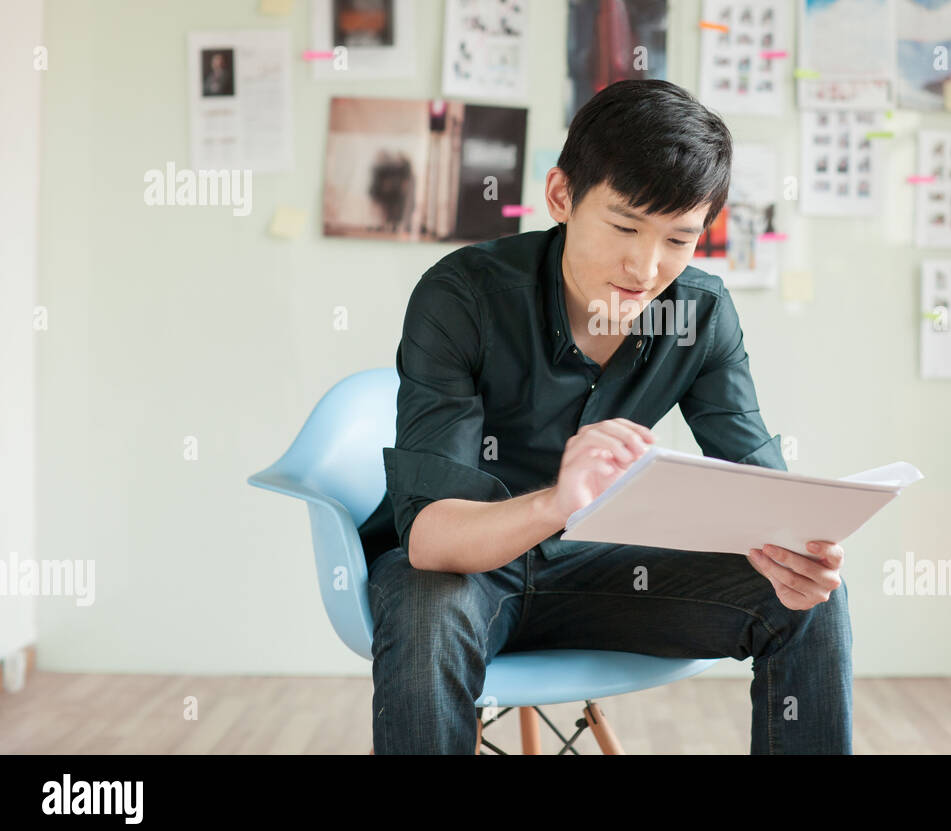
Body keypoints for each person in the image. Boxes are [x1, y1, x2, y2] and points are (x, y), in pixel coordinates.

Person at [359, 79, 852, 754]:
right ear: (561, 195)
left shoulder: (699, 316)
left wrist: (797, 551)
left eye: (679, 239)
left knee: (810, 600)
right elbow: (431, 539)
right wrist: (558, 502)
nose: (645, 268)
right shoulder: (463, 296)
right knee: (428, 607)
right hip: (469, 571)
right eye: (624, 226)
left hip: (603, 573)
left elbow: (760, 492)